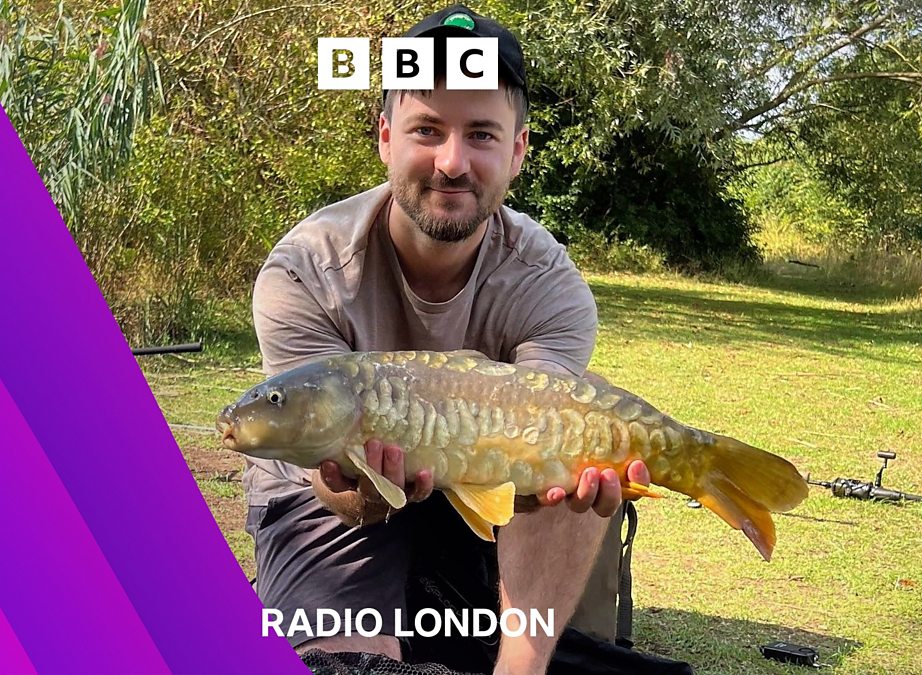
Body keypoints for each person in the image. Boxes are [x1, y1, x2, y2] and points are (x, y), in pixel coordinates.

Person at [243, 5, 650, 673]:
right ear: (384, 137)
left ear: (518, 150)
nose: (452, 162)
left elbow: (550, 426)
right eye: (426, 129)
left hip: (493, 478)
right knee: (346, 658)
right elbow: (326, 480)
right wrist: (368, 483)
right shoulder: (305, 269)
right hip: (333, 493)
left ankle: (521, 665)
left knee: (576, 448)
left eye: (482, 134)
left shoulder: (548, 280)